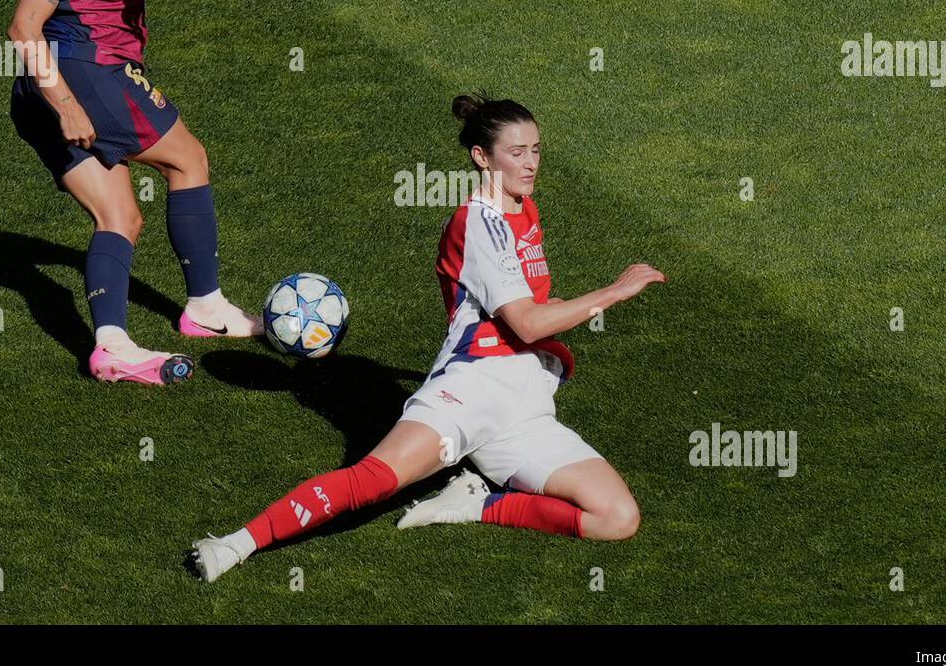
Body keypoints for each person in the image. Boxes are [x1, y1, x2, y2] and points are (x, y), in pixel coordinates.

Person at [193, 93, 666, 581]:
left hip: (525, 403)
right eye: (516, 152)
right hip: (471, 389)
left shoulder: (523, 208)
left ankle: (475, 503)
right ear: (482, 157)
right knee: (374, 481)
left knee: (617, 517)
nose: (530, 163)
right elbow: (526, 323)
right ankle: (235, 544)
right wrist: (614, 292)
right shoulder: (478, 224)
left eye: (536, 150)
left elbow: (528, 308)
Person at [6, 0, 261, 386]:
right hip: (83, 74)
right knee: (188, 159)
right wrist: (67, 105)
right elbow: (23, 27)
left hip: (58, 87)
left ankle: (112, 348)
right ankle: (206, 306)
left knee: (120, 215)